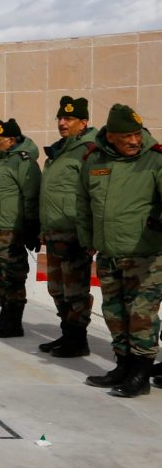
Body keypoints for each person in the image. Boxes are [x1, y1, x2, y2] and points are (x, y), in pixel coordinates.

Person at [77, 104, 162, 397]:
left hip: (146, 254)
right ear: (111, 136)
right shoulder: (94, 160)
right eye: (127, 136)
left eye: (137, 134)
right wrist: (87, 239)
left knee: (141, 314)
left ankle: (141, 374)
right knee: (114, 312)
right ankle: (123, 366)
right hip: (108, 252)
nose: (134, 141)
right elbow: (83, 204)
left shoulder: (155, 159)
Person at [38, 96, 96, 358]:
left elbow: (93, 194)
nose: (62, 123)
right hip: (54, 233)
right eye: (60, 118)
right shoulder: (59, 151)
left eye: (69, 119)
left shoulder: (89, 151)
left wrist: (88, 236)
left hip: (74, 234)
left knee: (75, 291)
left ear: (83, 122)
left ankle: (78, 339)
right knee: (57, 289)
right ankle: (67, 334)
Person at [0, 118, 40, 338]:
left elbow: (31, 195)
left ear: (11, 140)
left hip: (10, 229)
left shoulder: (22, 162)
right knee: (1, 274)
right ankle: (5, 315)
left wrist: (32, 225)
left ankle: (15, 321)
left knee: (13, 276)